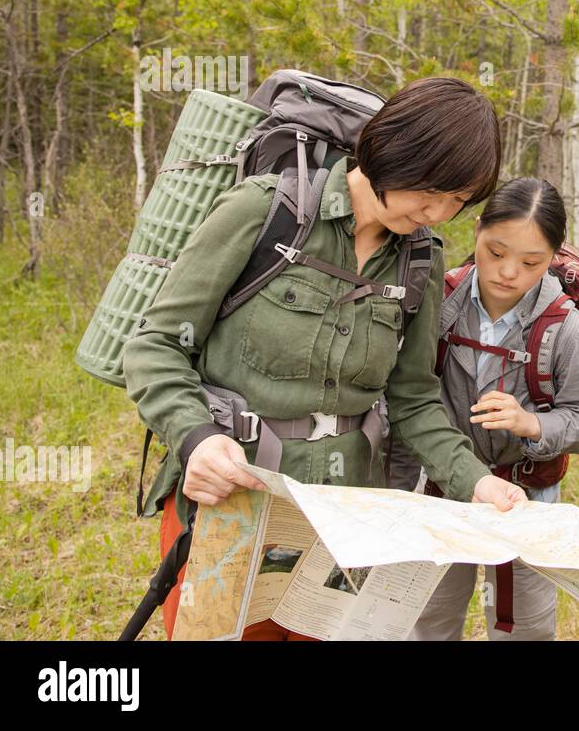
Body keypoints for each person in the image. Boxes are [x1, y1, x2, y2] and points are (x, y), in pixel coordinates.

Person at [123, 77, 527, 641]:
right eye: (429, 190)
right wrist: (196, 438)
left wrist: (476, 482)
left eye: (458, 201)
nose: (437, 212)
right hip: (233, 498)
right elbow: (154, 342)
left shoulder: (419, 259)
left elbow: (413, 398)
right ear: (391, 151)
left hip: (341, 516)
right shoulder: (265, 211)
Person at [409, 177, 579, 640]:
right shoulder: (438, 302)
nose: (508, 272)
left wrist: (530, 422)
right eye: (495, 253)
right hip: (444, 488)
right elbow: (408, 391)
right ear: (476, 231)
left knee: (524, 627)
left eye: (531, 262)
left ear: (552, 257)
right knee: (430, 615)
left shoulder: (565, 330)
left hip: (527, 496)